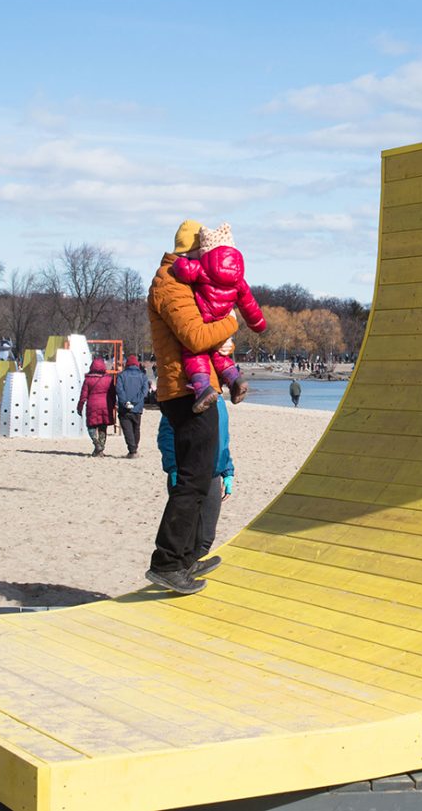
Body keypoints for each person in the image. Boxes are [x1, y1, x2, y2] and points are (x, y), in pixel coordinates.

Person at [145, 219, 239, 595]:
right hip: (186, 393)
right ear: (193, 251)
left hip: (194, 390)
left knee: (200, 478)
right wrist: (230, 324)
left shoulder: (183, 283)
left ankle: (184, 559)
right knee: (193, 480)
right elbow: (196, 336)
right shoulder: (171, 285)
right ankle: (168, 562)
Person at [170, 222, 267, 410]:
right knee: (219, 353)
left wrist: (178, 263)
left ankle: (202, 387)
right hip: (222, 318)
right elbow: (250, 305)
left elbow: (184, 269)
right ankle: (234, 379)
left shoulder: (202, 269)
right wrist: (258, 324)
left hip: (205, 316)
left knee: (194, 353)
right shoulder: (239, 279)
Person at [157, 400, 233, 569]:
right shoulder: (183, 397)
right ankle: (179, 572)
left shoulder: (219, 401)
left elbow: (223, 439)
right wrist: (174, 468)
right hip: (188, 475)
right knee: (187, 536)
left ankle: (189, 569)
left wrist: (227, 470)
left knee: (206, 537)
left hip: (213, 474)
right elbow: (166, 434)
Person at [76, 356, 117, 456]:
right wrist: (113, 405)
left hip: (92, 405)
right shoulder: (108, 379)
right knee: (103, 427)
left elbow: (83, 395)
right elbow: (112, 393)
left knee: (91, 426)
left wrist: (80, 406)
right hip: (105, 405)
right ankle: (101, 449)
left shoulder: (88, 380)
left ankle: (97, 444)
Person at [114, 354, 150, 458]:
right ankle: (134, 449)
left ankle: (132, 450)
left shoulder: (121, 375)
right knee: (136, 428)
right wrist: (135, 402)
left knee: (128, 430)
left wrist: (126, 402)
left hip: (124, 408)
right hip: (137, 408)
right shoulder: (143, 376)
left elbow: (119, 390)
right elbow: (145, 391)